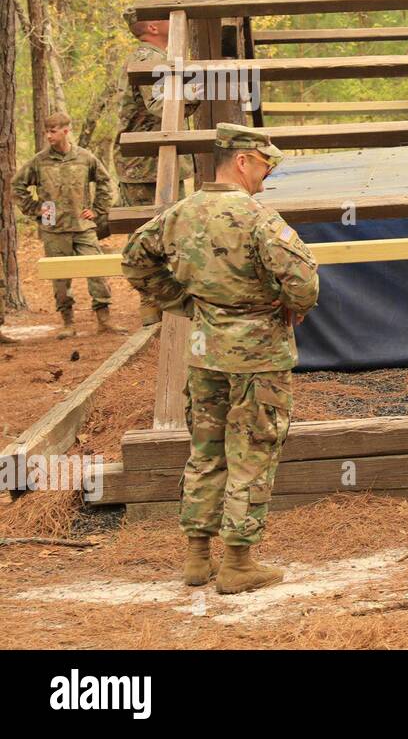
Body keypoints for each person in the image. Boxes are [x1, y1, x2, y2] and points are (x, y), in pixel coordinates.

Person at [121, 124, 319, 594]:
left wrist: (185, 303)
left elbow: (134, 260)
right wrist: (289, 308)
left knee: (206, 452)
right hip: (257, 358)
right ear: (243, 160)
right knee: (251, 453)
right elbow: (305, 283)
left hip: (205, 352)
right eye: (265, 167)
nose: (266, 179)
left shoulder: (179, 214)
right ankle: (237, 563)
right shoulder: (258, 219)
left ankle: (196, 558)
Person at [114, 15, 200, 325]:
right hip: (145, 164)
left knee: (164, 232)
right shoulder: (146, 57)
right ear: (151, 27)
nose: (170, 19)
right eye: (162, 17)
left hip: (156, 160)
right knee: (148, 237)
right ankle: (154, 309)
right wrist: (200, 88)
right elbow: (162, 105)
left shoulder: (161, 58)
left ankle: (164, 309)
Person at [13, 111, 124, 338]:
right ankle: (67, 323)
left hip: (83, 226)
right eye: (46, 131)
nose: (48, 136)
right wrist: (37, 210)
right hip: (54, 228)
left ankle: (104, 320)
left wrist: (97, 210)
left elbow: (105, 182)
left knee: (97, 271)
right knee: (60, 278)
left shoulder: (85, 158)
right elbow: (17, 187)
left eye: (52, 131)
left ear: (66, 131)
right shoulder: (39, 161)